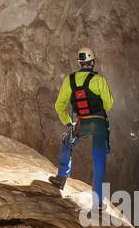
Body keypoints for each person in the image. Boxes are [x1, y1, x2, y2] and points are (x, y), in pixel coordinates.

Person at [48, 46, 114, 207]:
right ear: (92, 63)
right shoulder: (99, 80)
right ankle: (97, 202)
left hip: (81, 122)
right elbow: (109, 104)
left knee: (67, 142)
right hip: (98, 122)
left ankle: (61, 178)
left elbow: (59, 106)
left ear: (79, 62)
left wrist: (68, 122)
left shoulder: (69, 81)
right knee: (99, 160)